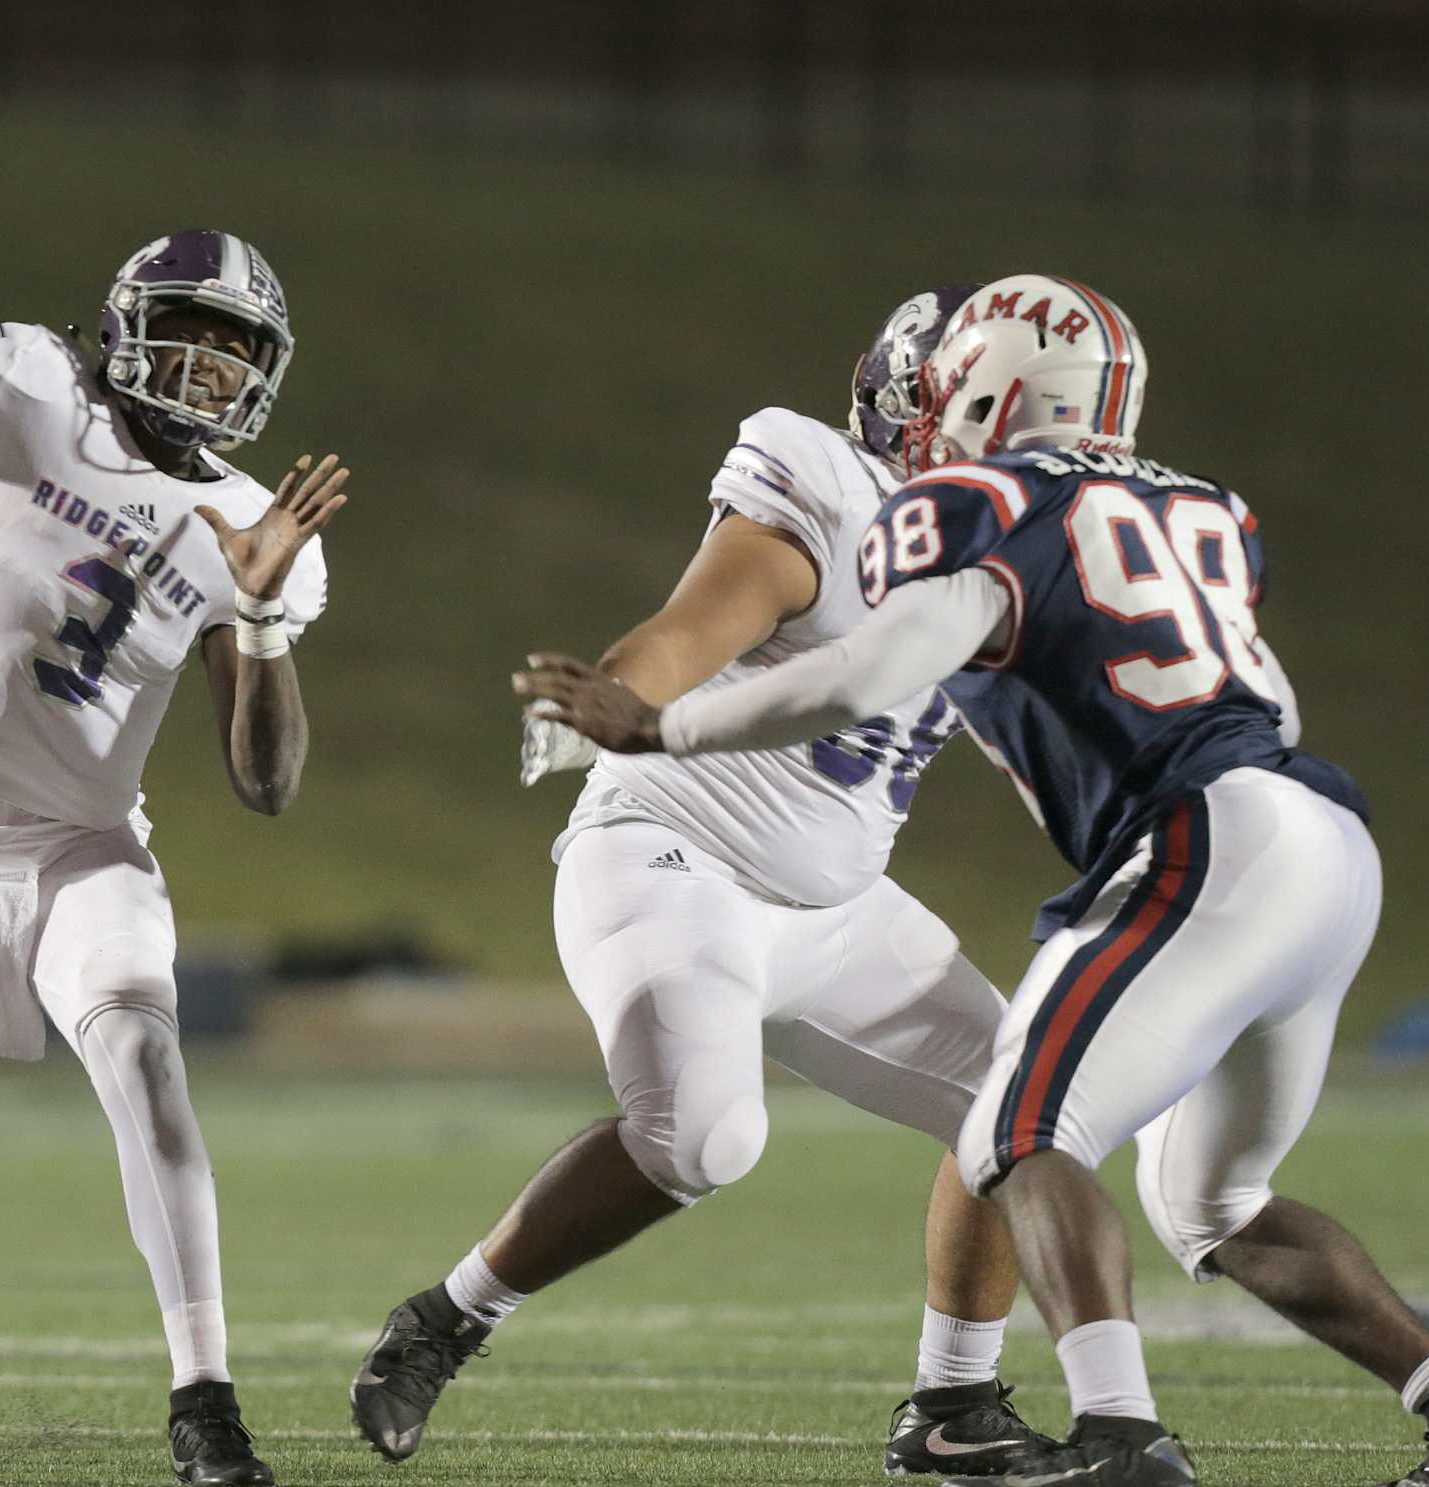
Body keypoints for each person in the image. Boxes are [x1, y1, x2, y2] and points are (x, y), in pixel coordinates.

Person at [514, 273, 1429, 1487]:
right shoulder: (1199, 505)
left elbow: (857, 680)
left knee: (1015, 1130)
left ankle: (1116, 1429)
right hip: (1325, 841)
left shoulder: (977, 501)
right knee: (1213, 1203)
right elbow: (1256, 695)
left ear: (985, 387)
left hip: (1203, 842)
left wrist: (665, 727)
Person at [352, 287, 1057, 1478]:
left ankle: (952, 1405)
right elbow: (699, 620)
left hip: (837, 909)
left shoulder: (1011, 553)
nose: (1028, 444)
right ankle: (446, 1318)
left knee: (1025, 1112)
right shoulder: (830, 483)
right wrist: (624, 693)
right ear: (924, 405)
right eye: (1004, 413)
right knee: (705, 1135)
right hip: (673, 854)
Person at [0, 126, 349, 1487]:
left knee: (145, 1055)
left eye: (235, 349)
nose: (210, 368)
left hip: (80, 847)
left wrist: (259, 611)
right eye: (191, 333)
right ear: (121, 325)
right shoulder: (30, 393)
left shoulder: (248, 521)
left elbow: (268, 782)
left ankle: (205, 1401)